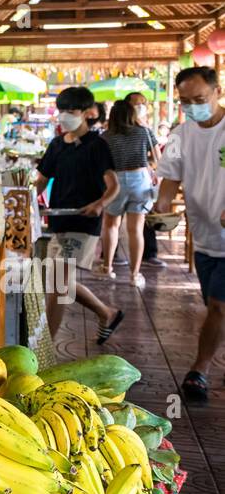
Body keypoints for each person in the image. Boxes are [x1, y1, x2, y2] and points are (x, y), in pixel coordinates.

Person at [154, 66, 225, 404]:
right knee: (212, 303)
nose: (193, 106)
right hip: (204, 235)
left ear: (217, 92)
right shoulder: (182, 136)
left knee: (218, 306)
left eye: (200, 99)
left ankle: (200, 369)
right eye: (185, 101)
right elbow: (170, 177)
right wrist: (162, 207)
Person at [35, 86, 123, 341]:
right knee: (57, 282)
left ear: (87, 113)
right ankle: (107, 313)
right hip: (58, 220)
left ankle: (47, 346)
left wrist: (99, 204)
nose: (64, 116)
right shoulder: (56, 144)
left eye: (71, 111)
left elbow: (113, 186)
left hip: (83, 223)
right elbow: (41, 180)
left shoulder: (97, 145)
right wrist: (27, 199)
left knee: (58, 286)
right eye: (61, 110)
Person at [98, 99, 159, 286]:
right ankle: (135, 274)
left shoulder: (105, 137)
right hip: (140, 179)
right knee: (136, 229)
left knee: (110, 225)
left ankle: (107, 268)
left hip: (115, 181)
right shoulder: (145, 133)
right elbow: (159, 158)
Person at [124, 90, 166, 267]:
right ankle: (111, 257)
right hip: (118, 180)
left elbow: (157, 158)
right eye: (136, 103)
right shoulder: (116, 130)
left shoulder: (147, 131)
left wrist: (153, 171)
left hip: (141, 179)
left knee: (144, 219)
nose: (140, 107)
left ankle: (149, 254)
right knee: (113, 222)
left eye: (143, 103)